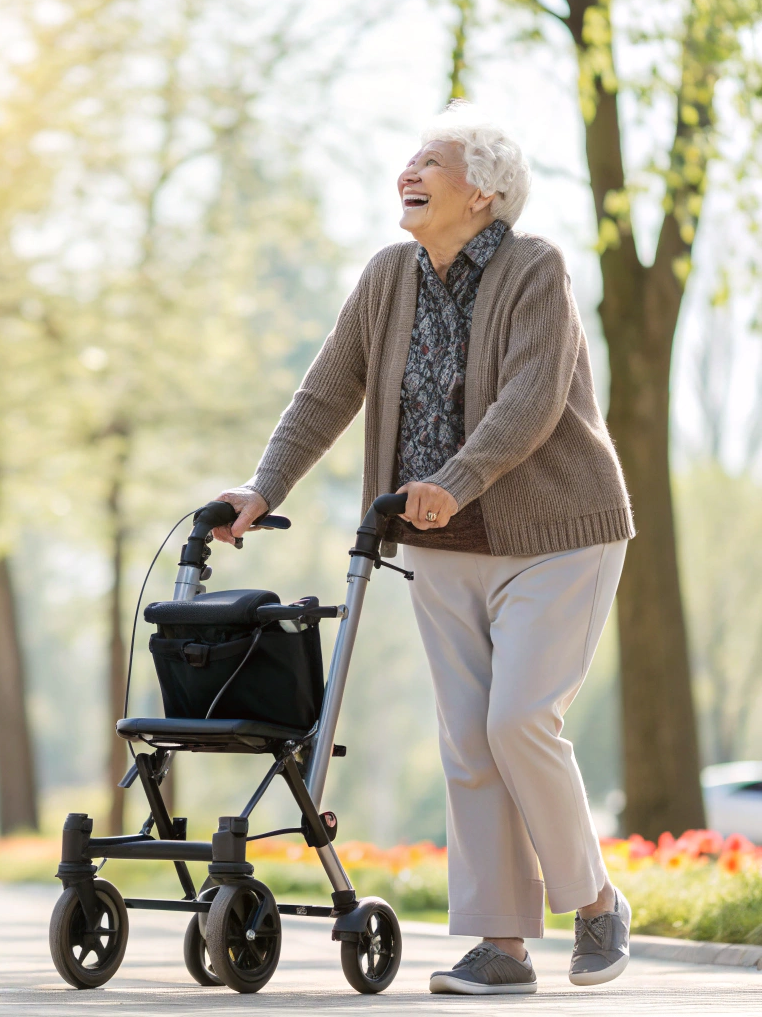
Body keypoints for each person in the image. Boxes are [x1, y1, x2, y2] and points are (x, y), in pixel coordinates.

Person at [214, 101, 634, 995]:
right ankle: (501, 947)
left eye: (431, 162)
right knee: (469, 745)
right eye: (407, 159)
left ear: (483, 190)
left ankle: (596, 904)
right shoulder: (387, 277)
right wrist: (261, 488)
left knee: (520, 720)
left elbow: (530, 398)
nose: (409, 171)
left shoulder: (535, 269)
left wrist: (458, 477)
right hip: (439, 545)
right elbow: (327, 392)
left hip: (557, 535)